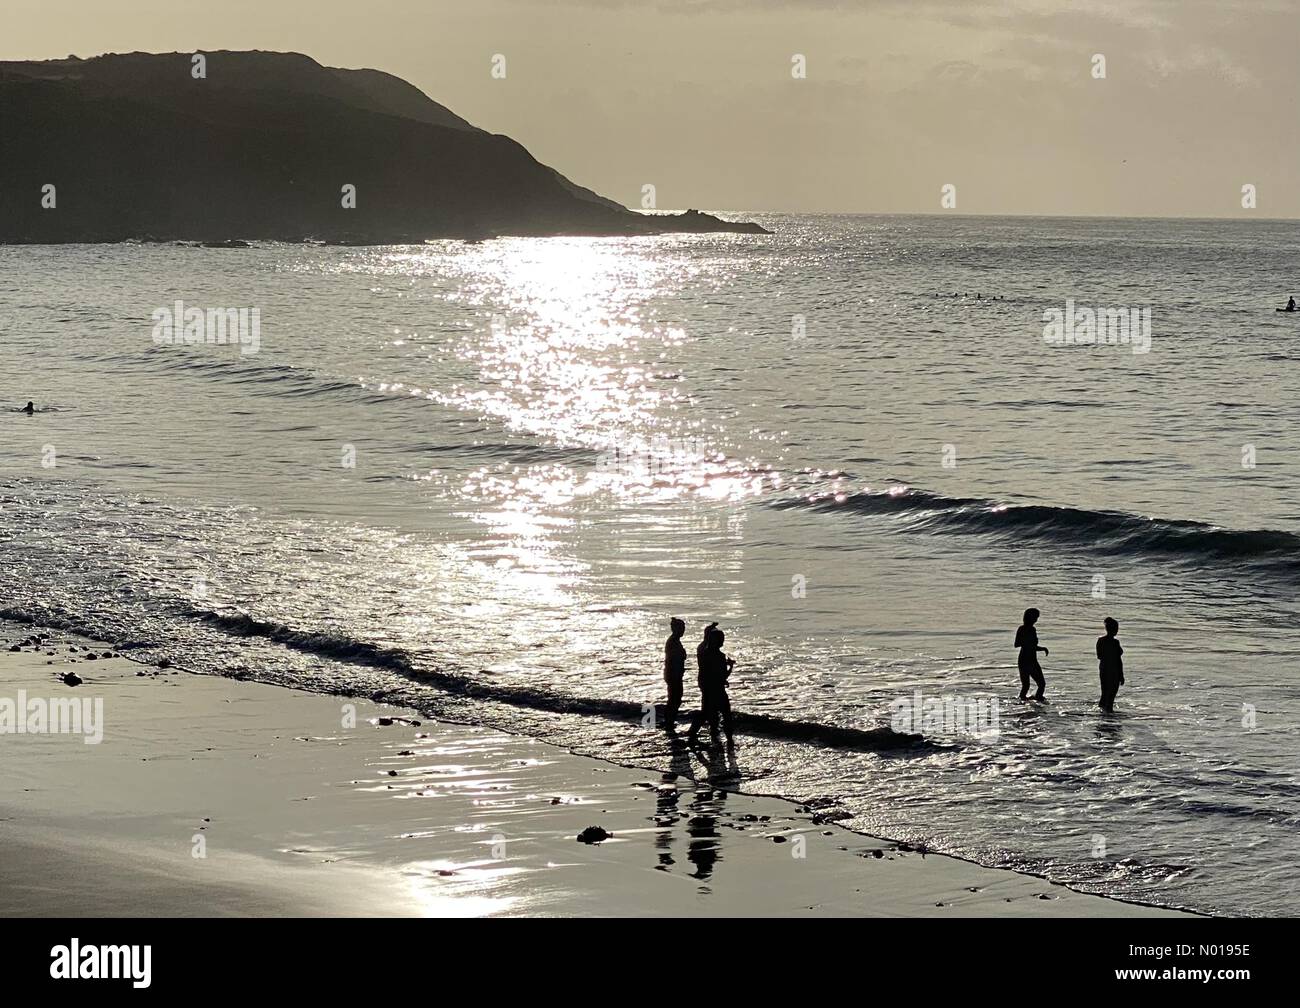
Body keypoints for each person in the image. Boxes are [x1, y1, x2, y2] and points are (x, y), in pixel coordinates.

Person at [688, 625, 734, 745]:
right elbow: (723, 676)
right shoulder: (719, 656)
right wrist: (730, 667)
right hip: (717, 690)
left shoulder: (703, 654)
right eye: (721, 639)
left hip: (707, 688)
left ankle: (694, 733)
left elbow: (706, 673)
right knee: (726, 714)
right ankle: (729, 739)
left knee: (706, 713)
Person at [1014, 608, 1049, 701]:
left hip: (1032, 659)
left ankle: (1037, 699)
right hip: (1025, 659)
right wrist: (1027, 642)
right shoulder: (1022, 629)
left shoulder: (1033, 629)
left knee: (1041, 684)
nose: (1036, 620)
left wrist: (1042, 648)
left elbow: (1033, 646)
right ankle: (1023, 703)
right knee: (1027, 685)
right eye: (1035, 617)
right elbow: (1017, 644)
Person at [662, 617, 687, 731]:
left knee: (674, 698)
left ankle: (669, 720)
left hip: (674, 674)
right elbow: (673, 660)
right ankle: (669, 721)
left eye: (683, 628)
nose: (683, 630)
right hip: (673, 675)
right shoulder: (673, 641)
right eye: (681, 628)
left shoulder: (674, 640)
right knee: (674, 698)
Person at [1097, 617, 1125, 712]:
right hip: (1114, 671)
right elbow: (1118, 660)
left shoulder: (1100, 641)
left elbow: (1099, 656)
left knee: (1104, 693)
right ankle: (1108, 714)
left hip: (1103, 669)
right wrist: (1121, 675)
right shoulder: (1115, 643)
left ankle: (1101, 712)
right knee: (1111, 695)